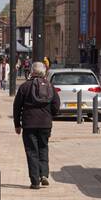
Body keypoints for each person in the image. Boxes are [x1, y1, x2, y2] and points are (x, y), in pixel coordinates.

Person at [13, 60, 60, 190]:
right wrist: (51, 116)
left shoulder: (24, 87)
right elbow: (56, 104)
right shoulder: (50, 86)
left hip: (29, 124)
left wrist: (17, 124)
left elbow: (17, 107)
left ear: (32, 71)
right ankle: (44, 174)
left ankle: (35, 181)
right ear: (43, 72)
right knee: (43, 148)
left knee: (32, 151)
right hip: (45, 124)